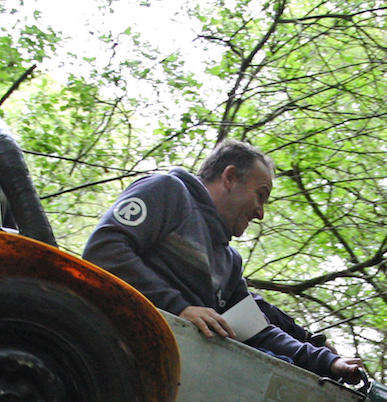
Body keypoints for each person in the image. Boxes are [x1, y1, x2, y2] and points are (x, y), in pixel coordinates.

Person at [82, 139, 365, 382]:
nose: (260, 213)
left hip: (164, 374)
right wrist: (179, 307)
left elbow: (255, 329)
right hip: (103, 349)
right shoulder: (168, 191)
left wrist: (327, 362)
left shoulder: (229, 263)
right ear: (229, 177)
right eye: (261, 195)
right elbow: (104, 250)